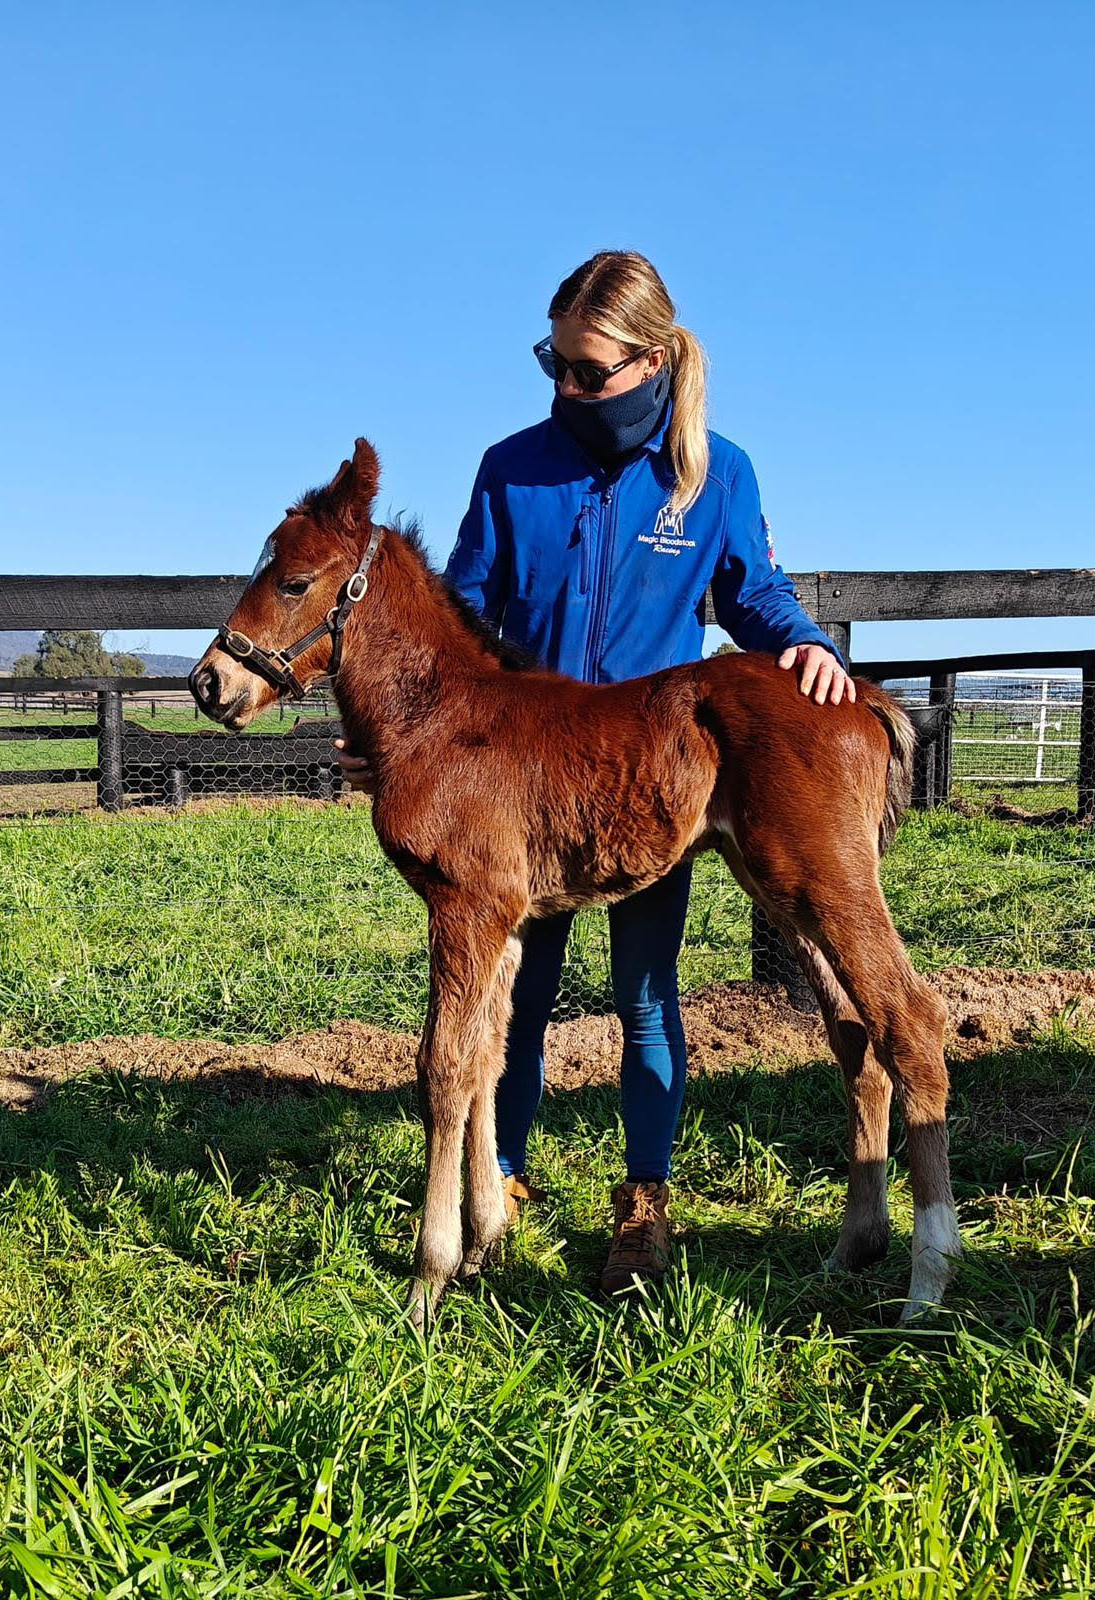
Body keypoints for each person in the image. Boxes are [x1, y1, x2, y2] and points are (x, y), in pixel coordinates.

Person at [336, 250, 854, 1295]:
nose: (563, 389)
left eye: (585, 370)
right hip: (514, 776)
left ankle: (643, 1201)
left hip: (640, 776)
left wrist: (804, 642)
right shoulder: (513, 465)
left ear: (652, 361)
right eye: (552, 364)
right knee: (511, 1001)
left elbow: (750, 590)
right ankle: (500, 1174)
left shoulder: (713, 470)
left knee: (648, 997)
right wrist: (403, 735)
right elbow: (460, 618)